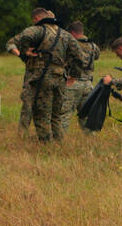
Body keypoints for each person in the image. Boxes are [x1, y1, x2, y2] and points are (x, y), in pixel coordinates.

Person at [8, 14, 85, 143]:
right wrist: (74, 75)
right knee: (56, 115)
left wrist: (24, 52)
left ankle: (46, 146)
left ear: (42, 21)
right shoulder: (65, 35)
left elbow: (26, 35)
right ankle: (59, 143)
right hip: (61, 76)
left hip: (44, 76)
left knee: (41, 113)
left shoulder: (39, 30)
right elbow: (79, 56)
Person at [6, 8, 52, 136]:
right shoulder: (31, 33)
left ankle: (46, 136)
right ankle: (23, 133)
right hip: (32, 74)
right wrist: (22, 54)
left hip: (50, 75)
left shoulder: (58, 35)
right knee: (28, 104)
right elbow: (10, 43)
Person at [58, 20, 101, 137]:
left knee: (64, 114)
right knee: (85, 114)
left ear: (72, 33)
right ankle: (91, 138)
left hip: (73, 83)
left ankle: (59, 140)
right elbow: (97, 56)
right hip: (88, 85)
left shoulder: (71, 45)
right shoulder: (93, 46)